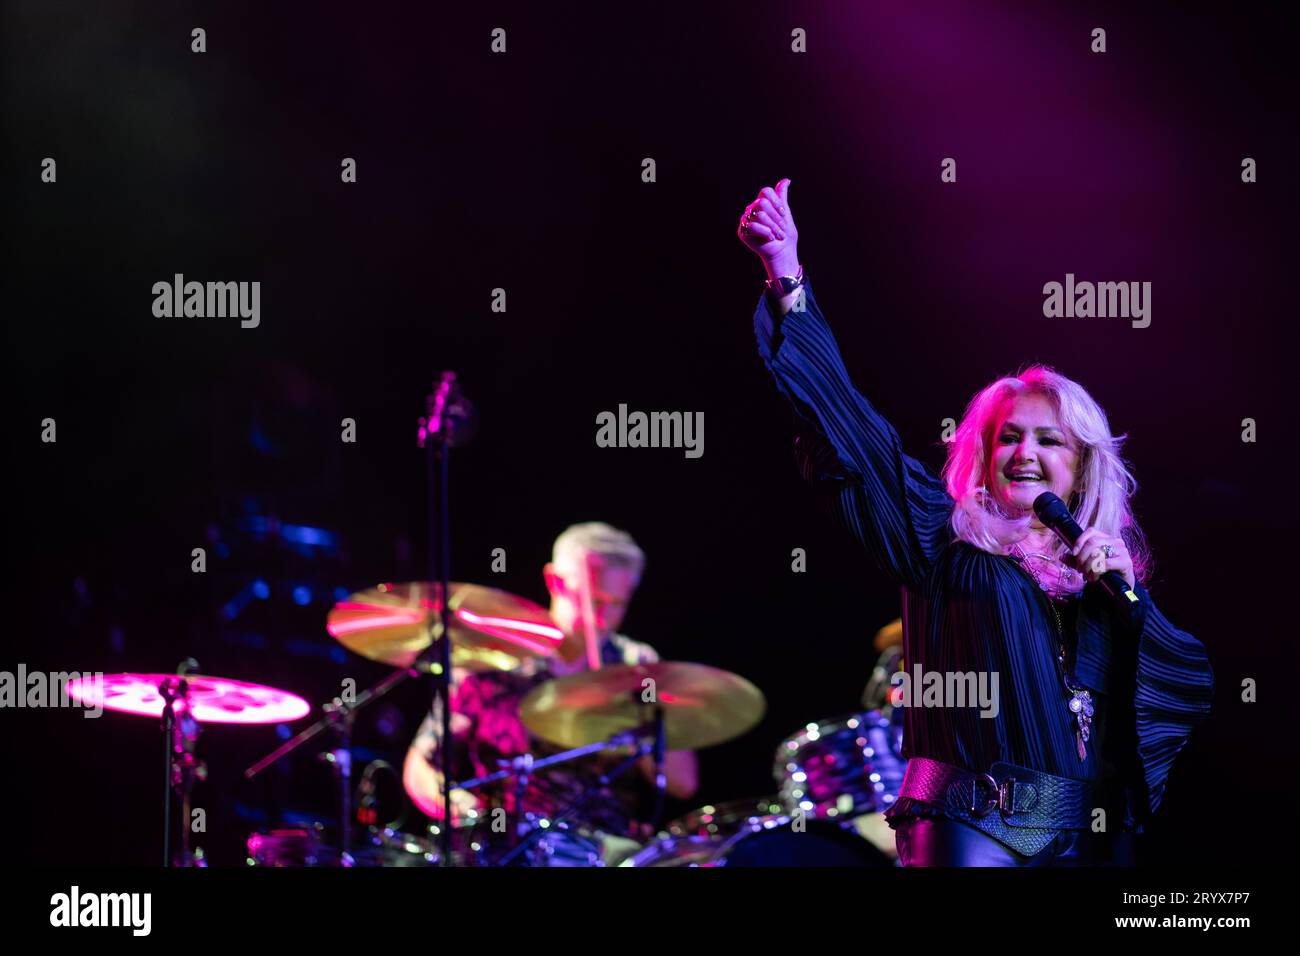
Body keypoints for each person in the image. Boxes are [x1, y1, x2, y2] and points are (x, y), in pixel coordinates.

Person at [738, 178, 1213, 866]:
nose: (1025, 453)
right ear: (985, 456)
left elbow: (1182, 684)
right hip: (971, 823)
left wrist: (1129, 605)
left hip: (1084, 837)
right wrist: (786, 275)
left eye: (1049, 441)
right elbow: (854, 434)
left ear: (1081, 466)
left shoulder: (1100, 586)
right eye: (1008, 438)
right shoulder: (942, 535)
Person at [402, 522, 699, 848]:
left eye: (618, 603)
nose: (604, 618)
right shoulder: (498, 662)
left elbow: (683, 782)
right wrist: (460, 809)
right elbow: (421, 765)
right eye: (595, 601)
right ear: (554, 581)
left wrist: (631, 717)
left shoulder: (636, 664)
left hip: (610, 848)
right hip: (512, 845)